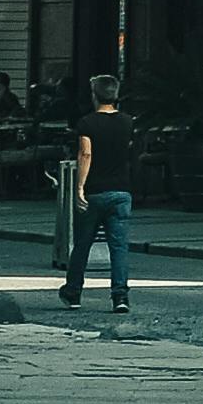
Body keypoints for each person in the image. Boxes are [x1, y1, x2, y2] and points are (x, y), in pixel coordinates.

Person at [57, 71, 134, 323]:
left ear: (94, 95)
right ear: (116, 95)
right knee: (119, 247)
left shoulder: (87, 123)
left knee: (82, 243)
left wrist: (79, 186)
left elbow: (85, 154)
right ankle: (120, 296)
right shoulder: (127, 122)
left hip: (95, 191)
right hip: (122, 191)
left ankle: (74, 291)